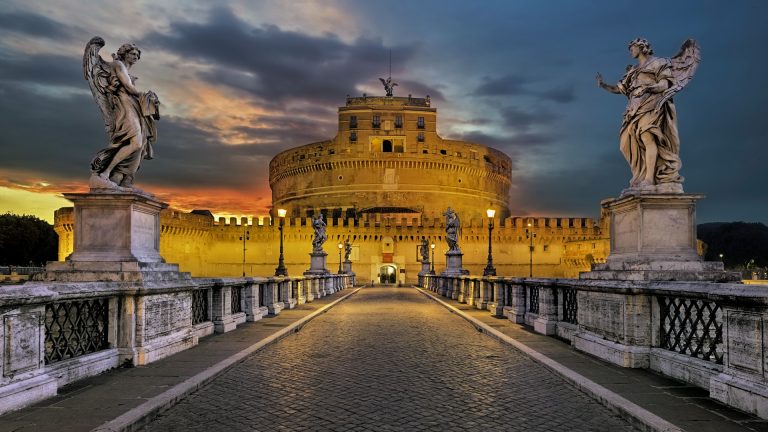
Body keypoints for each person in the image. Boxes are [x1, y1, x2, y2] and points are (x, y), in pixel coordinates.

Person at [596, 38, 699, 195]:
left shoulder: (658, 62)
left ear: (642, 47)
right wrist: (603, 85)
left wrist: (646, 88)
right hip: (633, 110)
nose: (630, 51)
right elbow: (620, 89)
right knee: (626, 144)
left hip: (652, 104)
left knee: (647, 138)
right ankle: (641, 176)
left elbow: (665, 85)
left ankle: (649, 180)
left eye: (632, 47)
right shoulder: (633, 70)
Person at [85, 38, 160, 189]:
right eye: (133, 54)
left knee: (140, 143)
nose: (135, 57)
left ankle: (123, 177)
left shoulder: (126, 70)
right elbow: (127, 87)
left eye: (137, 56)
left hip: (133, 106)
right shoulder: (118, 65)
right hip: (123, 106)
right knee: (135, 141)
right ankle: (104, 173)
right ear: (124, 53)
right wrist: (146, 95)